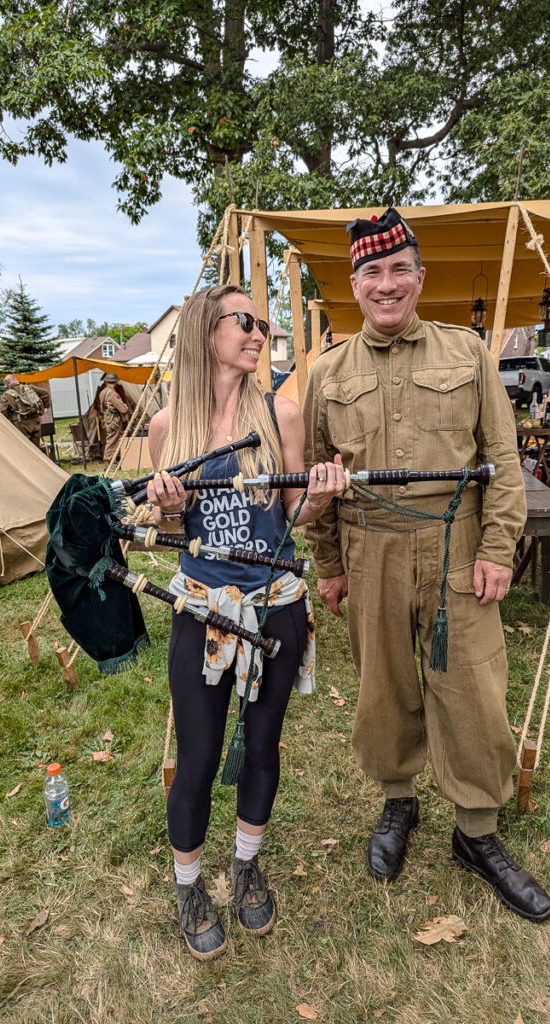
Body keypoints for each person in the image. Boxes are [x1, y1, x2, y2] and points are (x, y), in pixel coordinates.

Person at [302, 207, 550, 923]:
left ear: (419, 277)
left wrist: (499, 548)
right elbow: (320, 476)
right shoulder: (325, 372)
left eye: (398, 270)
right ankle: (396, 802)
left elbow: (501, 459)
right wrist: (329, 564)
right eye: (372, 272)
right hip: (367, 544)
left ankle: (476, 831)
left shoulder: (467, 352)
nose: (386, 285)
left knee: (471, 687)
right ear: (354, 284)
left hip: (457, 542)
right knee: (383, 688)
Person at [146, 284, 344, 960]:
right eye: (244, 322)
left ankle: (245, 866)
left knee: (262, 748)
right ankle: (188, 887)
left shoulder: (281, 414)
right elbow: (172, 526)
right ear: (206, 332)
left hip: (276, 607)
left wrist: (317, 498)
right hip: (203, 611)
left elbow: (296, 518)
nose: (258, 333)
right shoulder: (169, 426)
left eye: (262, 323)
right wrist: (167, 508)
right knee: (198, 759)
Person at [0, 373, 50, 447]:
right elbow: (45, 393)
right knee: (36, 448)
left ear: (7, 385)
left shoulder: (6, 396)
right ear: (16, 381)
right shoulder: (29, 388)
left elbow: (3, 413)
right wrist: (45, 407)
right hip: (35, 422)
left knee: (25, 448)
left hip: (21, 425)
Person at [99, 371, 133, 461]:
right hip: (114, 421)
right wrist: (125, 406)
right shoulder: (112, 394)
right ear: (116, 382)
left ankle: (110, 460)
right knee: (112, 441)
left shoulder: (103, 392)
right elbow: (123, 409)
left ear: (106, 382)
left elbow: (102, 408)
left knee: (110, 440)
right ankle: (109, 461)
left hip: (108, 420)